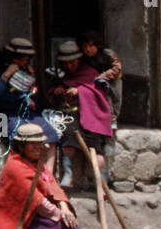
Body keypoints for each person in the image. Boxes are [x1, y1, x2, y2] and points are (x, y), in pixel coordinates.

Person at [0, 124, 110, 229]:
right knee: (55, 223)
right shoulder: (15, 166)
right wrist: (58, 214)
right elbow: (35, 199)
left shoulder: (37, 163)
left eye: (39, 144)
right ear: (22, 146)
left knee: (65, 219)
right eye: (32, 144)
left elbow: (52, 184)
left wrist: (64, 207)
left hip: (38, 213)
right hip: (21, 217)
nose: (37, 148)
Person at [48, 40, 115, 188]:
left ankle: (102, 182)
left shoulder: (90, 73)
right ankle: (68, 173)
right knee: (68, 134)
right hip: (72, 115)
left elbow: (98, 91)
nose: (69, 66)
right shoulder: (61, 74)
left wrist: (80, 91)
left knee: (96, 146)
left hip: (91, 115)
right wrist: (57, 91)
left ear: (78, 60)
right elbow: (52, 91)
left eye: (72, 63)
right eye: (66, 63)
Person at [0, 37, 59, 144]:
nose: (23, 63)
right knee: (22, 135)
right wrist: (6, 75)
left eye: (26, 60)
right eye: (20, 60)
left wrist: (32, 84)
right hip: (1, 114)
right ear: (10, 57)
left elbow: (35, 98)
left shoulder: (25, 69)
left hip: (24, 112)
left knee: (50, 134)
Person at [78, 30, 122, 120]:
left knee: (116, 99)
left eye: (91, 46)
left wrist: (103, 77)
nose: (88, 49)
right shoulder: (86, 58)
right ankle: (109, 120)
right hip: (98, 82)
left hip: (114, 80)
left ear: (97, 45)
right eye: (85, 47)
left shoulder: (107, 53)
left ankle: (114, 119)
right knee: (105, 101)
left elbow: (117, 67)